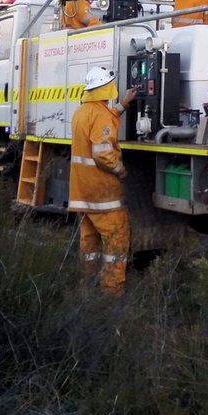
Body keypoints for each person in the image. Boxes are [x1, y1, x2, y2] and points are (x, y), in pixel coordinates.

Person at [69, 66, 136, 295]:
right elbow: (103, 154)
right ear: (105, 88)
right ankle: (112, 293)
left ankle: (86, 288)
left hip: (83, 192)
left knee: (89, 242)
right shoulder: (100, 114)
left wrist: (124, 104)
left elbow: (105, 120)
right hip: (102, 192)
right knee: (116, 240)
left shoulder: (82, 111)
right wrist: (121, 170)